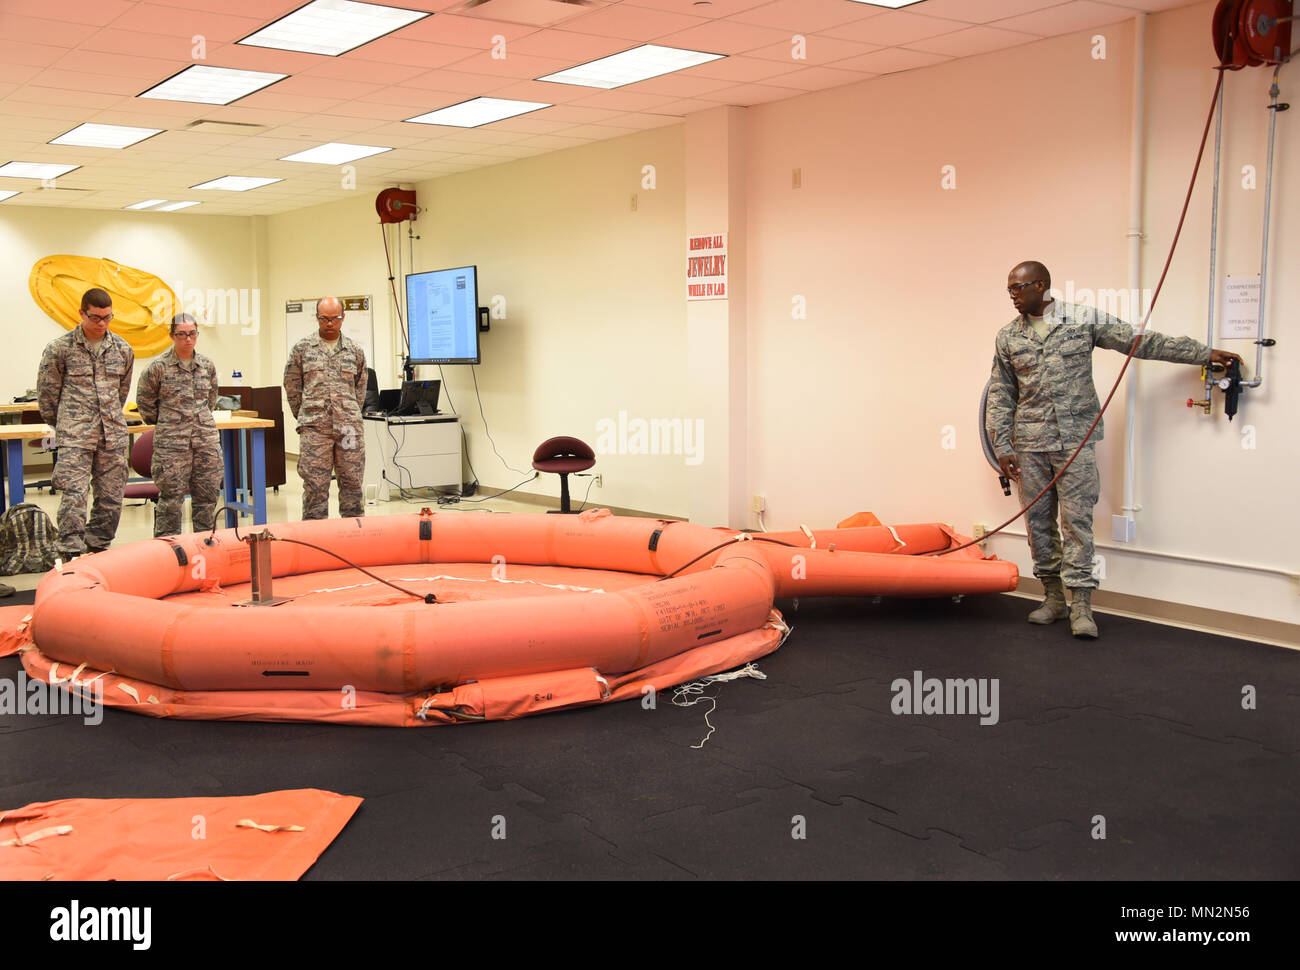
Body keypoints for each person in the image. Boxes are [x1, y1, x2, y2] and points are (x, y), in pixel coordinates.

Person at [985, 261, 1242, 639]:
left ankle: (1082, 606)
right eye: (1009, 289)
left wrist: (1202, 354)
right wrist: (1001, 443)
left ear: (1041, 285)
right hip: (1029, 445)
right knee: (1038, 524)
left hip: (1076, 442)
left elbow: (1140, 341)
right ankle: (1053, 598)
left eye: (1017, 288)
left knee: (1077, 523)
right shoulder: (1008, 336)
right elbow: (1001, 392)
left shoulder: (1081, 319)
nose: (1011, 295)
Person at [36, 287, 135, 559]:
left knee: (111, 499)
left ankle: (98, 548)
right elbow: (47, 397)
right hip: (75, 437)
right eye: (95, 317)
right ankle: (69, 553)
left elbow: (120, 393)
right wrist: (69, 424)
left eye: (107, 317)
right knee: (74, 497)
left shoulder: (123, 349)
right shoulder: (59, 349)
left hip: (111, 436)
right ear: (81, 313)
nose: (101, 323)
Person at [135, 313, 222, 536]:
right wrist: (170, 424)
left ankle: (204, 545)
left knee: (207, 498)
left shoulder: (206, 366)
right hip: (171, 446)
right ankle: (168, 551)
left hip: (205, 443)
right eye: (182, 334)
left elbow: (210, 400)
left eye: (192, 334)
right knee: (170, 502)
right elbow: (145, 404)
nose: (188, 339)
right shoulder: (157, 368)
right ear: (172, 335)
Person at [283, 296, 367, 519]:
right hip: (315, 430)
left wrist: (347, 413)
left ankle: (355, 538)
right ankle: (314, 540)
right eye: (324, 319)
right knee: (315, 487)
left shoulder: (354, 350)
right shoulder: (302, 349)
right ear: (317, 317)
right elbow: (292, 387)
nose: (330, 323)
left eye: (335, 318)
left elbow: (360, 389)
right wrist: (308, 415)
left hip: (349, 429)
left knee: (352, 485)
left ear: (343, 318)